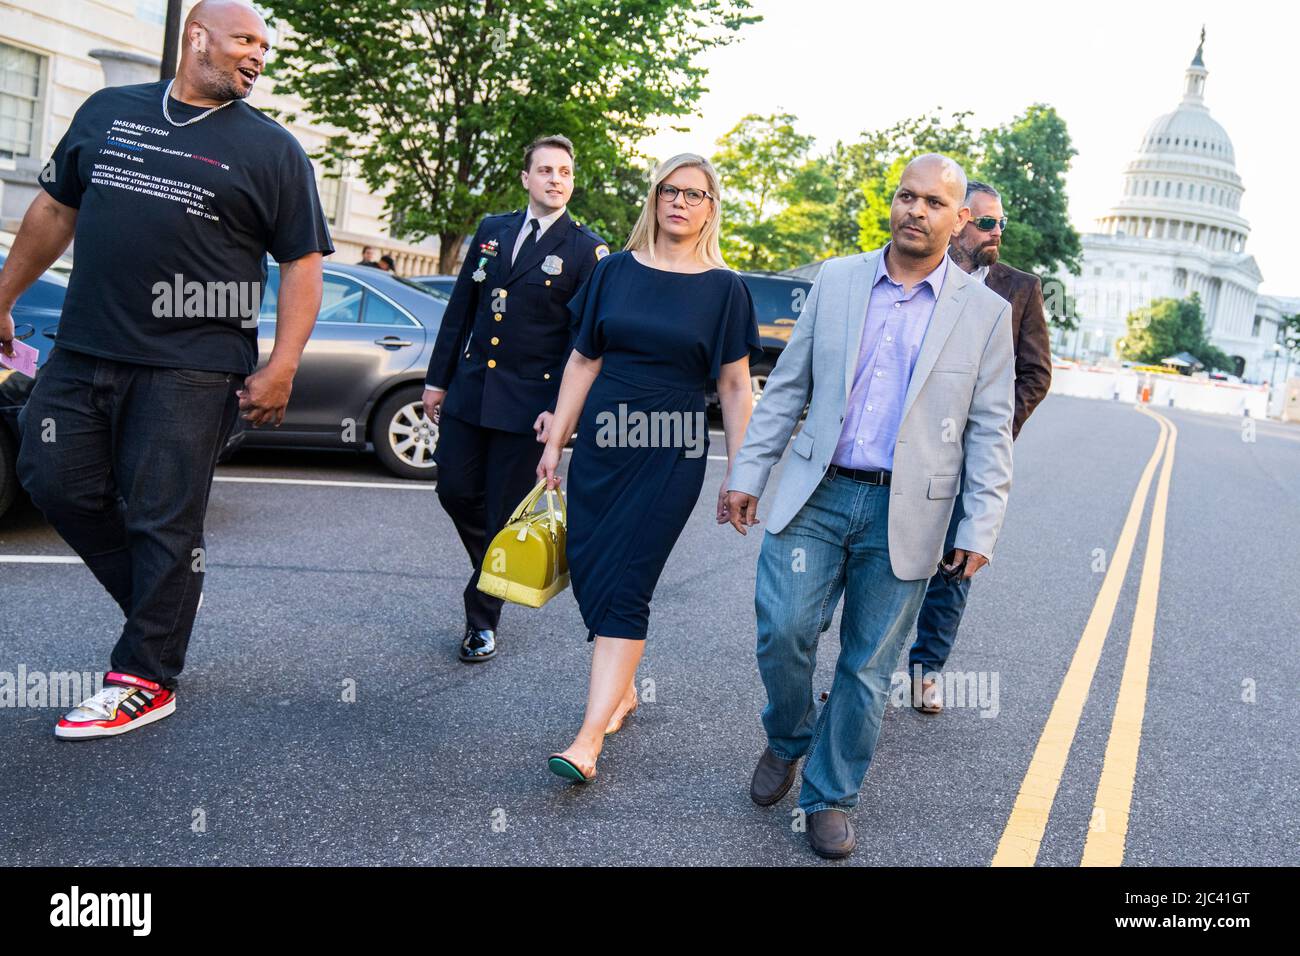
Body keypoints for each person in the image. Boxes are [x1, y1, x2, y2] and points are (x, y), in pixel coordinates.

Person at [0, 0, 332, 740]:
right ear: (197, 35)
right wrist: (4, 297)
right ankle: (168, 595)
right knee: (51, 477)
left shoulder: (272, 150)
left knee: (162, 518)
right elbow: (54, 211)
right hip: (85, 347)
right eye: (246, 39)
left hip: (193, 367)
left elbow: (303, 265)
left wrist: (282, 364)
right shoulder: (109, 111)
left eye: (266, 45)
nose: (259, 54)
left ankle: (146, 676)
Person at [725, 154, 1015, 858]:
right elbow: (789, 388)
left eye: (934, 203)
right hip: (818, 494)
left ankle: (829, 795)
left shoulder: (985, 313)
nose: (916, 211)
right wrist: (747, 472)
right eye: (906, 197)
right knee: (784, 631)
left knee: (865, 668)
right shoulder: (839, 278)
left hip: (909, 512)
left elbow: (989, 428)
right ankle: (788, 736)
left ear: (959, 219)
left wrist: (980, 525)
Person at [537, 153, 761, 783]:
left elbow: (737, 389)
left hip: (672, 451)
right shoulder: (612, 272)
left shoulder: (725, 289)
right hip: (604, 444)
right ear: (654, 198)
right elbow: (583, 361)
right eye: (670, 190)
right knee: (591, 568)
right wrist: (556, 437)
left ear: (711, 208)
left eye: (694, 194)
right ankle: (624, 690)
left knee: (628, 583)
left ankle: (586, 741)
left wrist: (739, 473)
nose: (680, 202)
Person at [423, 134, 607, 663]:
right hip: (471, 390)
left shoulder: (585, 249)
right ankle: (496, 570)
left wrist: (563, 411)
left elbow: (583, 342)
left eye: (565, 172)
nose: (556, 179)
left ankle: (481, 618)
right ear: (526, 178)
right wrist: (438, 379)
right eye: (545, 170)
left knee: (505, 511)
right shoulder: (491, 231)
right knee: (454, 491)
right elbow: (461, 309)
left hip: (531, 406)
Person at [909, 181, 1052, 714]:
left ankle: (925, 672)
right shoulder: (924, 273)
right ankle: (865, 670)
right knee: (885, 560)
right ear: (960, 221)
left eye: (1001, 225)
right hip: (911, 447)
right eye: (987, 223)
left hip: (971, 459)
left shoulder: (1020, 288)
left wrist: (990, 431)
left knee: (954, 566)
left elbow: (1035, 374)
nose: (997, 233)